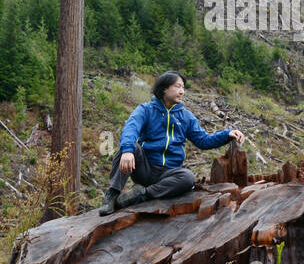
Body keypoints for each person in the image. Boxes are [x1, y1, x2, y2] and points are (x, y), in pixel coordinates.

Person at [99, 71, 247, 215]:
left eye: (183, 87)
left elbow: (203, 140)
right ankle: (112, 195)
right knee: (128, 148)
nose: (182, 91)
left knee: (188, 178)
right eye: (178, 86)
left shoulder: (186, 117)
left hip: (169, 174)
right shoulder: (145, 110)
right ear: (164, 88)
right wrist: (127, 151)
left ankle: (142, 194)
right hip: (145, 168)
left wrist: (227, 134)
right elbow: (130, 129)